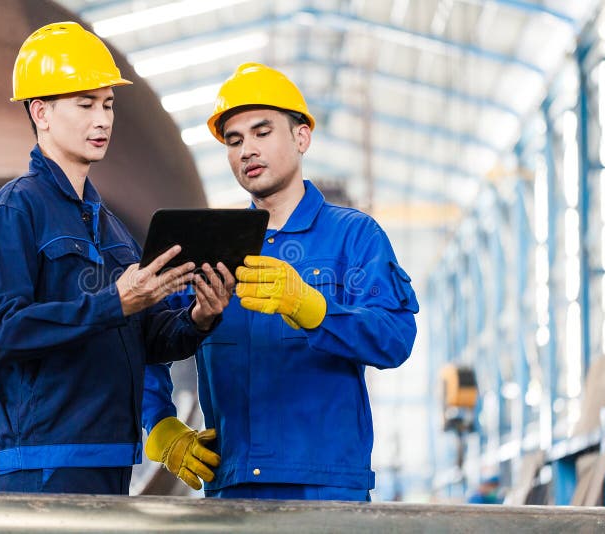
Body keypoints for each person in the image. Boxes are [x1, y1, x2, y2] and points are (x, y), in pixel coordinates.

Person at [0, 22, 234, 495]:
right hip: (41, 464)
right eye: (85, 104)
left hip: (114, 459)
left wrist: (197, 317)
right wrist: (114, 302)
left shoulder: (112, 228)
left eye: (108, 105)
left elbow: (145, 337)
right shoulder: (15, 210)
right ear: (41, 112)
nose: (103, 119)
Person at [143, 63, 418, 501]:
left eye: (262, 131)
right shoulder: (208, 245)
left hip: (327, 492)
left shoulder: (354, 236)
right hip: (231, 490)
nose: (247, 150)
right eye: (234, 141)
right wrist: (159, 422)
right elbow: (145, 337)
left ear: (301, 137)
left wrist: (313, 309)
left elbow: (396, 337)